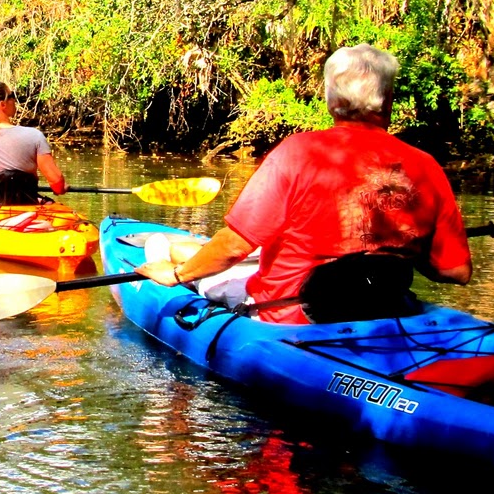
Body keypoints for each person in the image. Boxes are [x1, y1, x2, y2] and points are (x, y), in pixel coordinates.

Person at [135, 44, 471, 322]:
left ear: (332, 100)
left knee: (161, 248)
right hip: (383, 309)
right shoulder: (425, 165)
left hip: (289, 313)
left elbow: (236, 246)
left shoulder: (298, 153)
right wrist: (400, 246)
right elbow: (455, 271)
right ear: (389, 100)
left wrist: (176, 277)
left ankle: (168, 257)